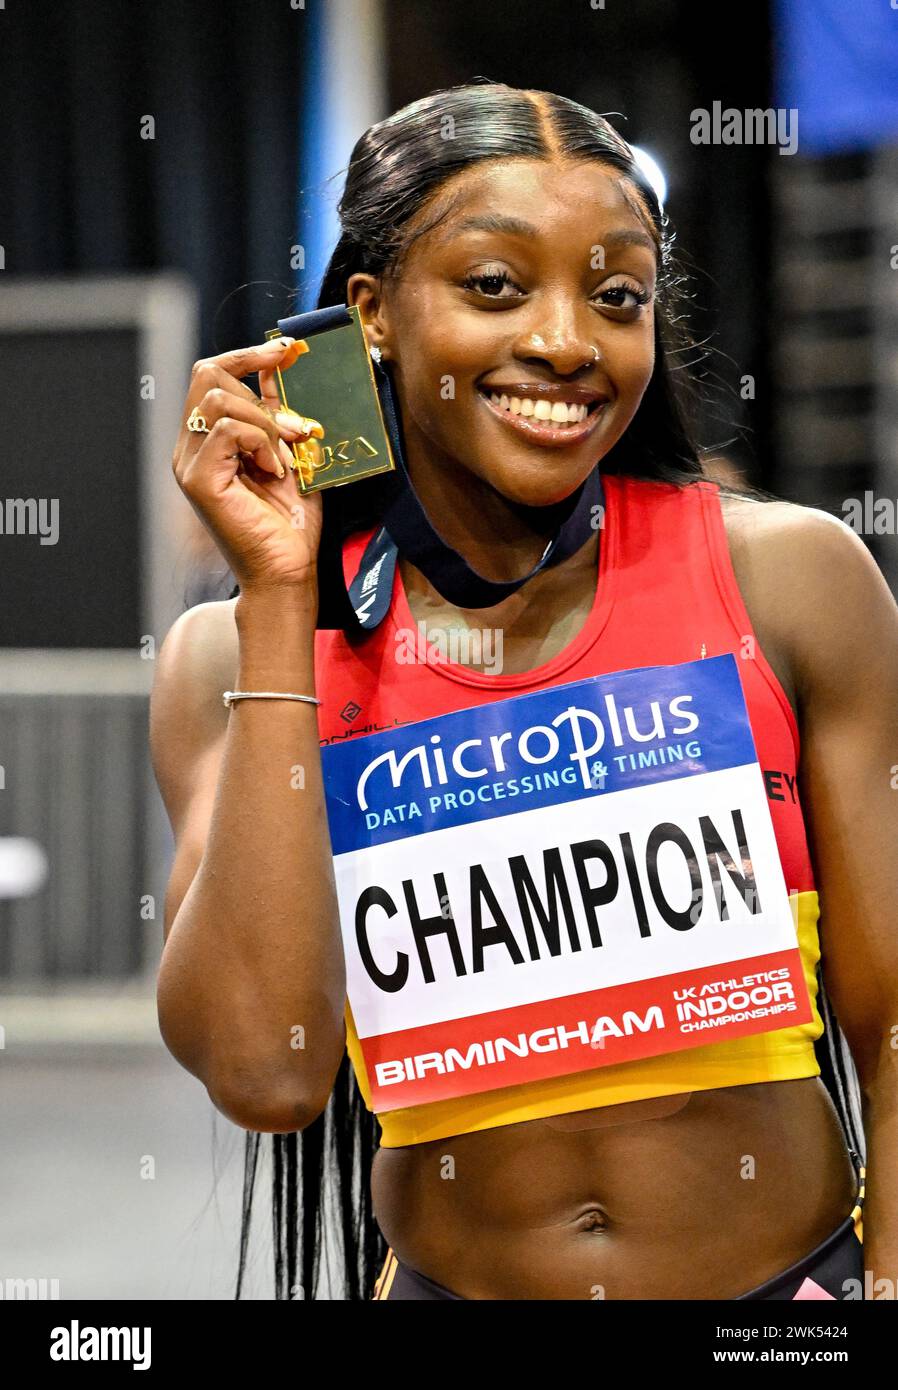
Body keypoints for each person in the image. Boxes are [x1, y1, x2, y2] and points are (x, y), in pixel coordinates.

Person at [151, 82, 898, 1301]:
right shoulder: (230, 659)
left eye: (617, 297)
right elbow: (267, 1075)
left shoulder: (795, 582)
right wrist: (283, 602)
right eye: (494, 285)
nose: (565, 340)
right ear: (372, 315)